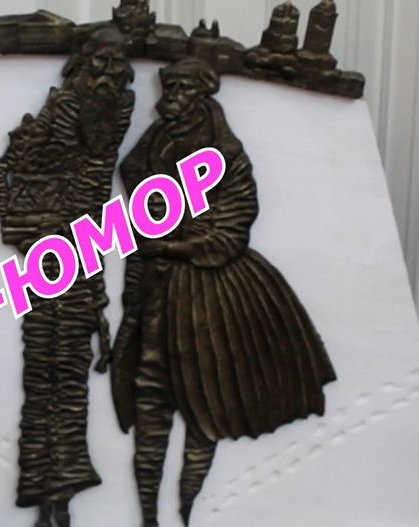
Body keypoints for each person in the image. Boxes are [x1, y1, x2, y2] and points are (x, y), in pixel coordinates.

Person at [108, 57, 337, 526]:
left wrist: (170, 243)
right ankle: (147, 516)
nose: (170, 98)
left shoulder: (226, 156)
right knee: (150, 399)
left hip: (205, 296)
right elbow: (134, 188)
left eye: (181, 90)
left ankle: (188, 511)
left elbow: (231, 230)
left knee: (204, 405)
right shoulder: (154, 143)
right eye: (168, 89)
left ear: (201, 95)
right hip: (152, 294)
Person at [0, 26, 135, 527]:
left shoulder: (114, 111)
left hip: (79, 254)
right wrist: (23, 229)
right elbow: (2, 171)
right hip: (50, 255)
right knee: (47, 369)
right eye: (100, 62)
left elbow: (93, 187)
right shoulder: (66, 110)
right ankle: (47, 490)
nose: (108, 73)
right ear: (82, 64)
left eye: (116, 64)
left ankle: (60, 490)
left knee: (68, 372)